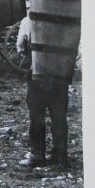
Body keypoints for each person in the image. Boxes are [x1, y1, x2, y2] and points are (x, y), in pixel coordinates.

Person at [16, 16, 71, 169]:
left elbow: (20, 46)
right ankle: (60, 155)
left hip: (37, 77)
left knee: (36, 117)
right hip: (60, 76)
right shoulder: (63, 21)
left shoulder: (28, 21)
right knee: (59, 117)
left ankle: (37, 154)